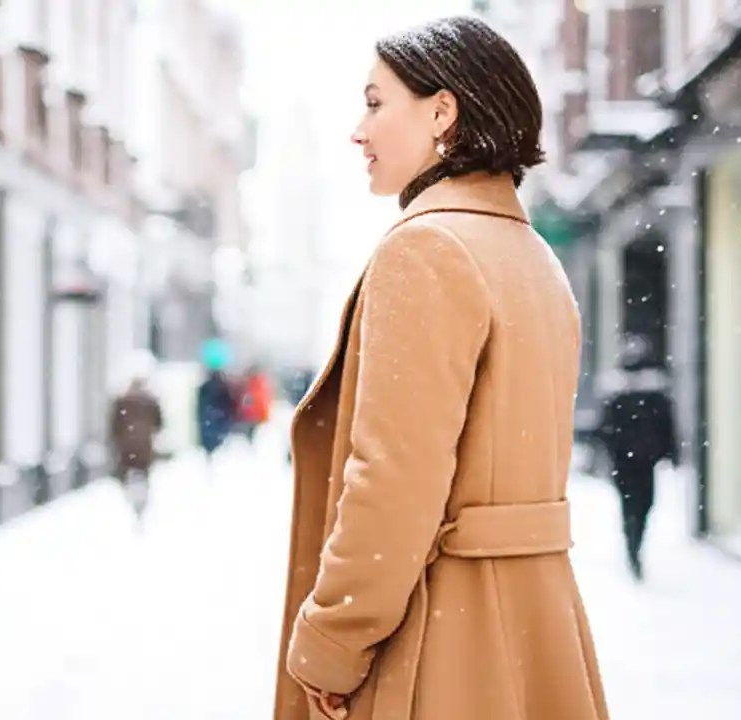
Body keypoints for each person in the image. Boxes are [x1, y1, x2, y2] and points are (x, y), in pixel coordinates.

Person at [274, 17, 608, 720]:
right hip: (533, 629)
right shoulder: (531, 257)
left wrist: (332, 641)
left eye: (374, 103)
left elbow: (392, 483)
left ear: (441, 111)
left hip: (444, 642)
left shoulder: (425, 250)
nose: (357, 132)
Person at [594, 336, 679, 581]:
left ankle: (633, 542)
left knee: (638, 505)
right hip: (633, 461)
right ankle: (633, 544)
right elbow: (605, 429)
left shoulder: (647, 392)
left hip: (635, 461)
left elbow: (666, 426)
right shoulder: (624, 392)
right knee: (639, 505)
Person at [109, 371, 163, 522]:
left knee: (128, 476)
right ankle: (141, 506)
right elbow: (159, 424)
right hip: (144, 448)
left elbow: (114, 427)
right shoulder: (149, 402)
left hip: (127, 449)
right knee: (143, 476)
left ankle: (133, 504)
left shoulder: (122, 402)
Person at [196, 367, 234, 465]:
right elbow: (229, 404)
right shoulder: (224, 387)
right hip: (219, 417)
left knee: (209, 439)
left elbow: (200, 404)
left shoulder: (204, 387)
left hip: (208, 417)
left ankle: (209, 458)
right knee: (218, 440)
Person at [236, 365, 274, 444]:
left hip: (252, 417)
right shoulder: (262, 384)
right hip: (259, 416)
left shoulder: (250, 385)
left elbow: (248, 402)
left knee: (252, 435)